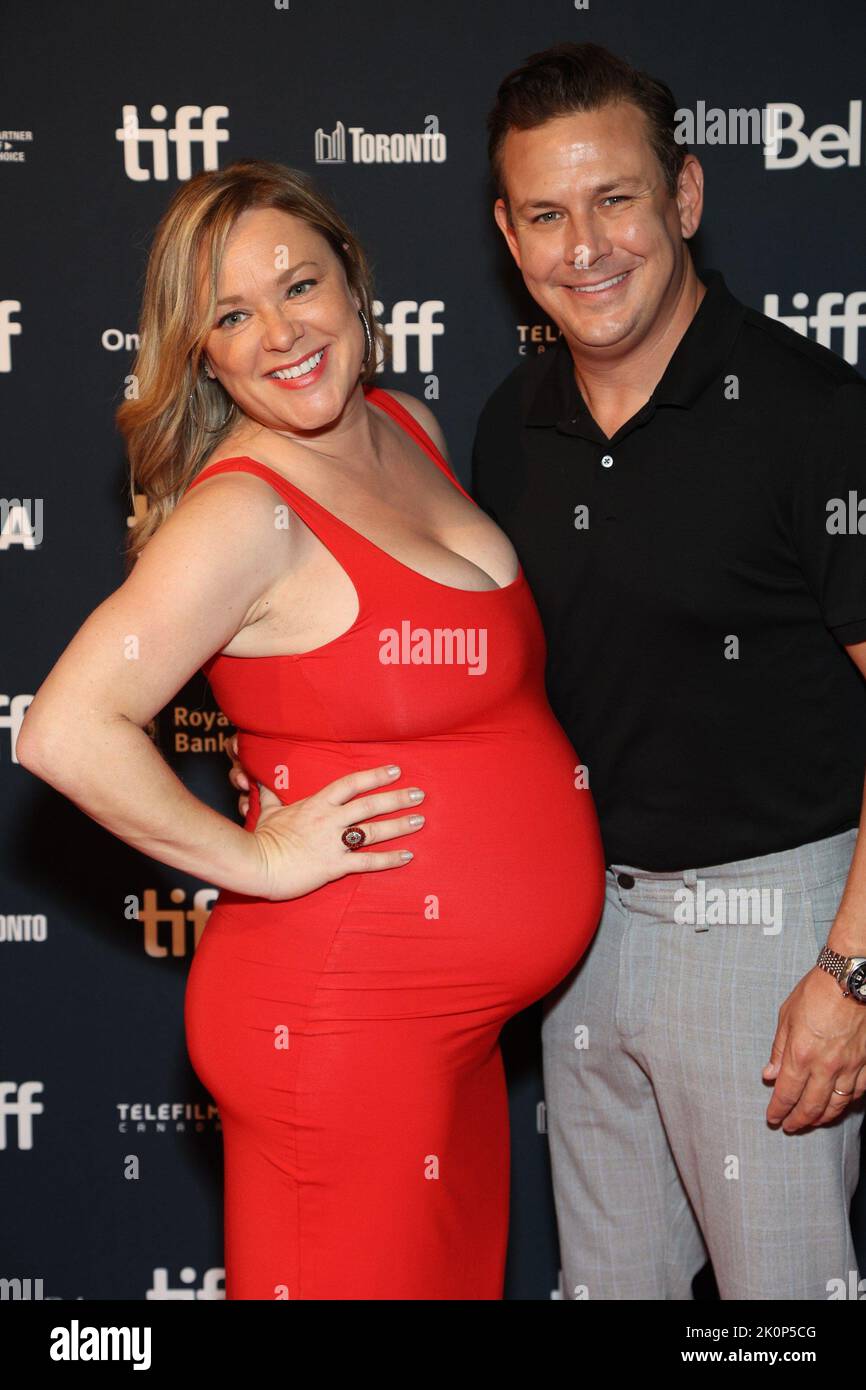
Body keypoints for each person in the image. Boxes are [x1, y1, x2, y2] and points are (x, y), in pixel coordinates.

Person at [16, 158, 605, 1300]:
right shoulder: (241, 512)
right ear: (202, 352)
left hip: (451, 1036)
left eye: (300, 284)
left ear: (354, 282)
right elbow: (66, 729)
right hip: (340, 1027)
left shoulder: (403, 423)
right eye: (233, 315)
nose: (281, 331)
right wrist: (258, 857)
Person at [471, 41, 866, 1299]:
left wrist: (850, 972)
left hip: (776, 939)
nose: (582, 244)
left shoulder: (813, 417)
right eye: (545, 212)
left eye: (614, 198)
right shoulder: (506, 423)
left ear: (683, 197)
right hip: (582, 931)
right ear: (507, 233)